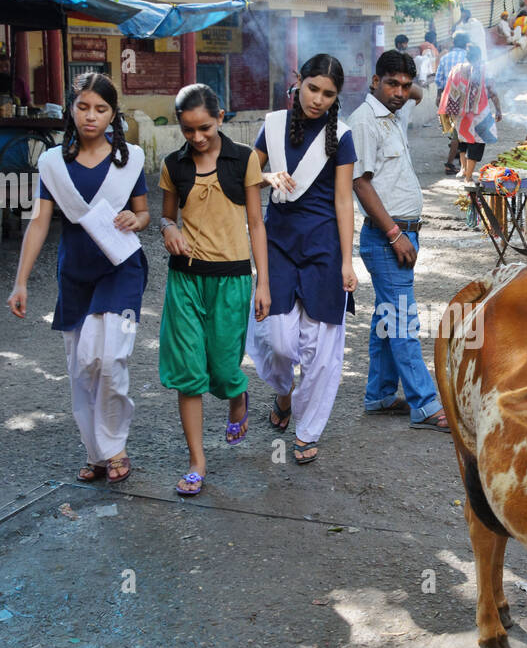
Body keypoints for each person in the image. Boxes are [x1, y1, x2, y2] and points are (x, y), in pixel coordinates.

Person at [7, 73, 149, 484]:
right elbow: (38, 223)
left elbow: (142, 213)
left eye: (101, 109)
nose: (91, 116)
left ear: (112, 115)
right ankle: (97, 453)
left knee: (110, 358)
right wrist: (21, 282)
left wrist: (133, 219)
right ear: (71, 109)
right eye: (83, 107)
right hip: (75, 275)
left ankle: (115, 445)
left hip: (122, 270)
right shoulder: (53, 163)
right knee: (81, 365)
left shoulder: (130, 159)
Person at [246, 54, 358, 465]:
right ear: (299, 82)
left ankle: (307, 431)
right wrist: (266, 176)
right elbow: (245, 175)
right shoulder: (272, 125)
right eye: (313, 88)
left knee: (321, 349)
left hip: (325, 248)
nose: (318, 99)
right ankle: (282, 392)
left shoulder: (341, 137)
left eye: (328, 94)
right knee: (277, 341)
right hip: (277, 243)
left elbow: (344, 200)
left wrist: (348, 261)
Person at [159, 83, 268, 496]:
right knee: (189, 375)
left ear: (220, 117)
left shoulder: (244, 160)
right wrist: (169, 229)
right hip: (185, 279)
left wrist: (264, 284)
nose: (197, 137)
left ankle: (237, 396)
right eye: (188, 130)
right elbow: (167, 218)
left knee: (223, 372)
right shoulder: (175, 165)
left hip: (233, 280)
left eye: (204, 127)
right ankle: (197, 462)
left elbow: (257, 223)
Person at [350, 50, 449, 432]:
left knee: (386, 316)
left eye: (405, 85)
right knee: (402, 321)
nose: (400, 91)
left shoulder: (395, 111)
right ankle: (425, 404)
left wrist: (409, 89)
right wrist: (394, 234)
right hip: (388, 237)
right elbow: (361, 183)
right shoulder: (365, 121)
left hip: (403, 234)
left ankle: (379, 394)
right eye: (391, 83)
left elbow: (419, 95)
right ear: (374, 81)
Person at [438, 42, 501, 183]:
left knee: (463, 140)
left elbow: (448, 91)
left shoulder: (456, 69)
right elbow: (493, 92)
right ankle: (468, 177)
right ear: (479, 56)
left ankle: (463, 169)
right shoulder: (484, 70)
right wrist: (498, 110)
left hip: (459, 114)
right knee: (477, 144)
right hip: (479, 115)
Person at [435, 30, 470, 173]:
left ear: (454, 43)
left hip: (447, 95)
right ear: (466, 44)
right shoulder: (469, 58)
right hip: (463, 97)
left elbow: (439, 80)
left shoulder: (445, 58)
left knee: (454, 128)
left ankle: (456, 154)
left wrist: (439, 96)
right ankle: (449, 164)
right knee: (459, 131)